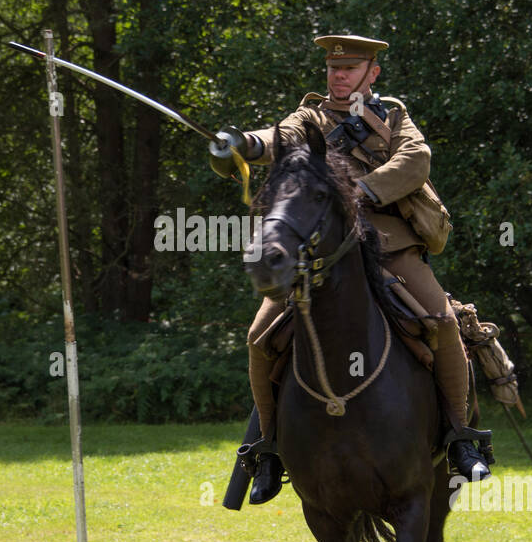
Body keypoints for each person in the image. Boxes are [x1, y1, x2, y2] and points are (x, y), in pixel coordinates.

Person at [210, 33, 491, 504]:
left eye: (348, 69)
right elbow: (277, 140)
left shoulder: (394, 115)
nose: (337, 76)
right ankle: (269, 449)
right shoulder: (309, 118)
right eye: (332, 68)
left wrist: (359, 192)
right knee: (260, 336)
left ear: (371, 74)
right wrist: (241, 142)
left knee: (442, 322)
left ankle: (461, 437)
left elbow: (415, 160)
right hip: (325, 250)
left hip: (387, 243)